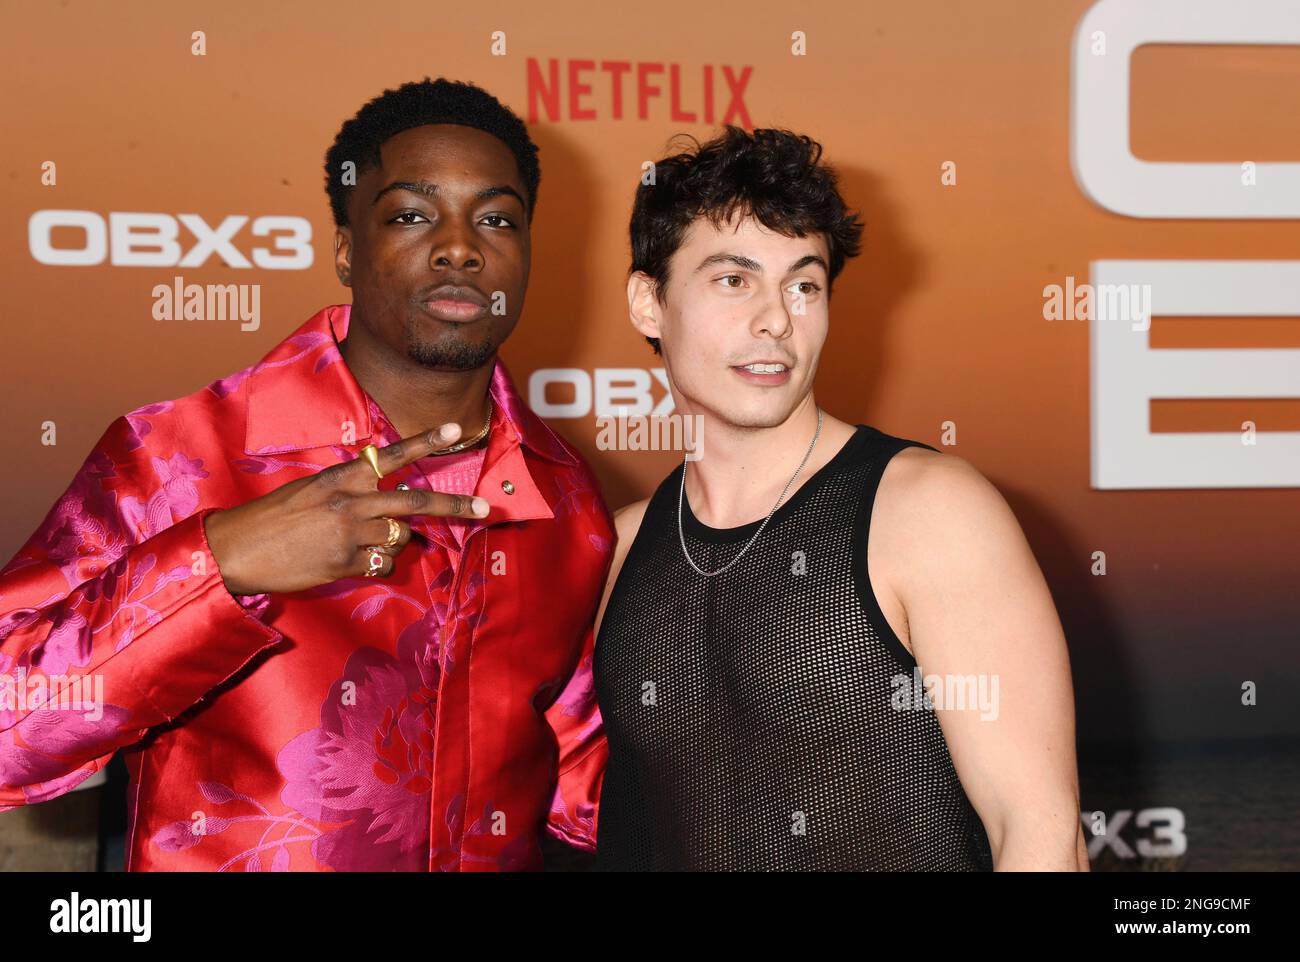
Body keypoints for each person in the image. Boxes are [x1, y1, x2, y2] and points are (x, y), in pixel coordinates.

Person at [0, 78, 612, 871]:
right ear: (346, 248)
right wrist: (218, 565)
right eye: (411, 215)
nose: (460, 246)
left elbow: (572, 776)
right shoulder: (180, 454)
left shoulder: (565, 497)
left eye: (496, 219)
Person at [591, 126, 1088, 871]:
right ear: (647, 302)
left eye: (804, 284)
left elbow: (1039, 836)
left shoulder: (928, 512)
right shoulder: (620, 550)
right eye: (734, 279)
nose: (776, 319)